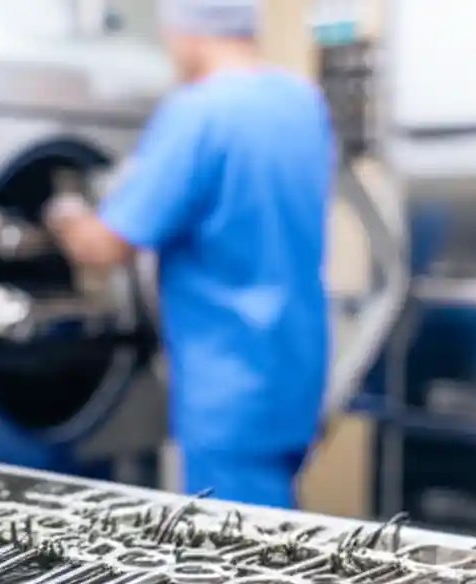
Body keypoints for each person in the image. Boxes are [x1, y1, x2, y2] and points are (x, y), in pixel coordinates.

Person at [44, 0, 334, 508]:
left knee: (243, 556)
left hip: (230, 386)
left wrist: (62, 210)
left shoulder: (198, 113)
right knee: (280, 525)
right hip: (296, 370)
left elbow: (103, 247)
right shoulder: (302, 103)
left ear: (186, 31)